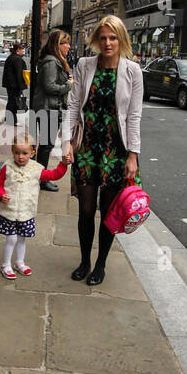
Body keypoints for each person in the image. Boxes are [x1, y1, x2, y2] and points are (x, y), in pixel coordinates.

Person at [60, 15, 143, 286]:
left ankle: (100, 264)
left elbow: (134, 116)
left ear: (121, 40)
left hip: (115, 151)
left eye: (113, 37)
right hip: (86, 147)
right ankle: (84, 261)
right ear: (96, 39)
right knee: (85, 210)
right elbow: (74, 105)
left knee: (108, 213)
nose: (108, 43)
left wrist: (133, 155)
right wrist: (67, 142)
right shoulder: (84, 65)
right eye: (104, 37)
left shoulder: (132, 71)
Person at [0, 131, 70, 278]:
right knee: (11, 239)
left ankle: (20, 262)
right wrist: (1, 195)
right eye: (17, 153)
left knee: (21, 239)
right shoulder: (7, 167)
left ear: (33, 153)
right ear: (12, 152)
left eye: (24, 153)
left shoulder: (37, 169)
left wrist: (63, 164)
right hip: (9, 211)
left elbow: (54, 175)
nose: (20, 156)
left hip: (26, 212)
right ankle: (6, 264)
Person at [30, 29, 74, 191]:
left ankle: (37, 177)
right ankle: (41, 179)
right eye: (66, 43)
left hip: (49, 107)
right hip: (49, 109)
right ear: (57, 45)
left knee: (44, 145)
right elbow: (49, 86)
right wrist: (68, 85)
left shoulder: (53, 61)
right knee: (46, 146)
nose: (69, 46)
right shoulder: (50, 62)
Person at [2, 41, 27, 126]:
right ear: (17, 50)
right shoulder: (17, 59)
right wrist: (21, 86)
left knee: (11, 101)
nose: (22, 52)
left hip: (10, 84)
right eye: (21, 50)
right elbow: (19, 74)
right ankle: (12, 120)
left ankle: (9, 118)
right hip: (14, 85)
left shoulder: (11, 57)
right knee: (13, 102)